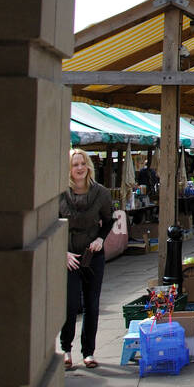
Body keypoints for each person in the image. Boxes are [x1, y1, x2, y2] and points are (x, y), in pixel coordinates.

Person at [59, 149, 115, 370]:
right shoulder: (60, 194)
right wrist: (62, 252)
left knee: (92, 304)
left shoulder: (100, 193)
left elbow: (109, 220)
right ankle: (65, 349)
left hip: (93, 257)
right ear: (69, 169)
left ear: (88, 166)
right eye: (75, 165)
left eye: (83, 163)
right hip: (70, 256)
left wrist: (101, 239)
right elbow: (51, 224)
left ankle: (88, 352)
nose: (80, 168)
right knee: (70, 305)